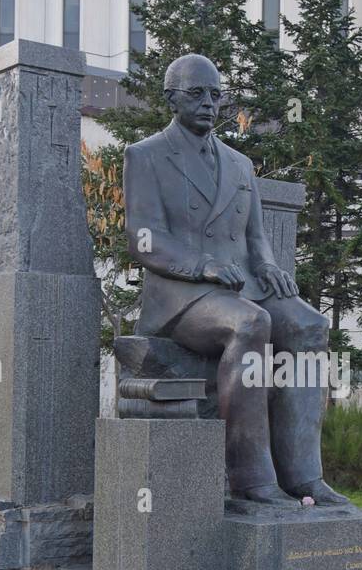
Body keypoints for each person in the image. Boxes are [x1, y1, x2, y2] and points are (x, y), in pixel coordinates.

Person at [123, 53, 347, 508]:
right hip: (182, 295)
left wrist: (267, 266)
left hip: (240, 285)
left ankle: (304, 476)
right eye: (196, 93)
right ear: (171, 98)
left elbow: (256, 237)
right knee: (250, 325)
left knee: (310, 326)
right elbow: (143, 239)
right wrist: (200, 265)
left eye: (216, 95)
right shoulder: (144, 155)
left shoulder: (239, 164)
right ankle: (250, 477)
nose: (209, 103)